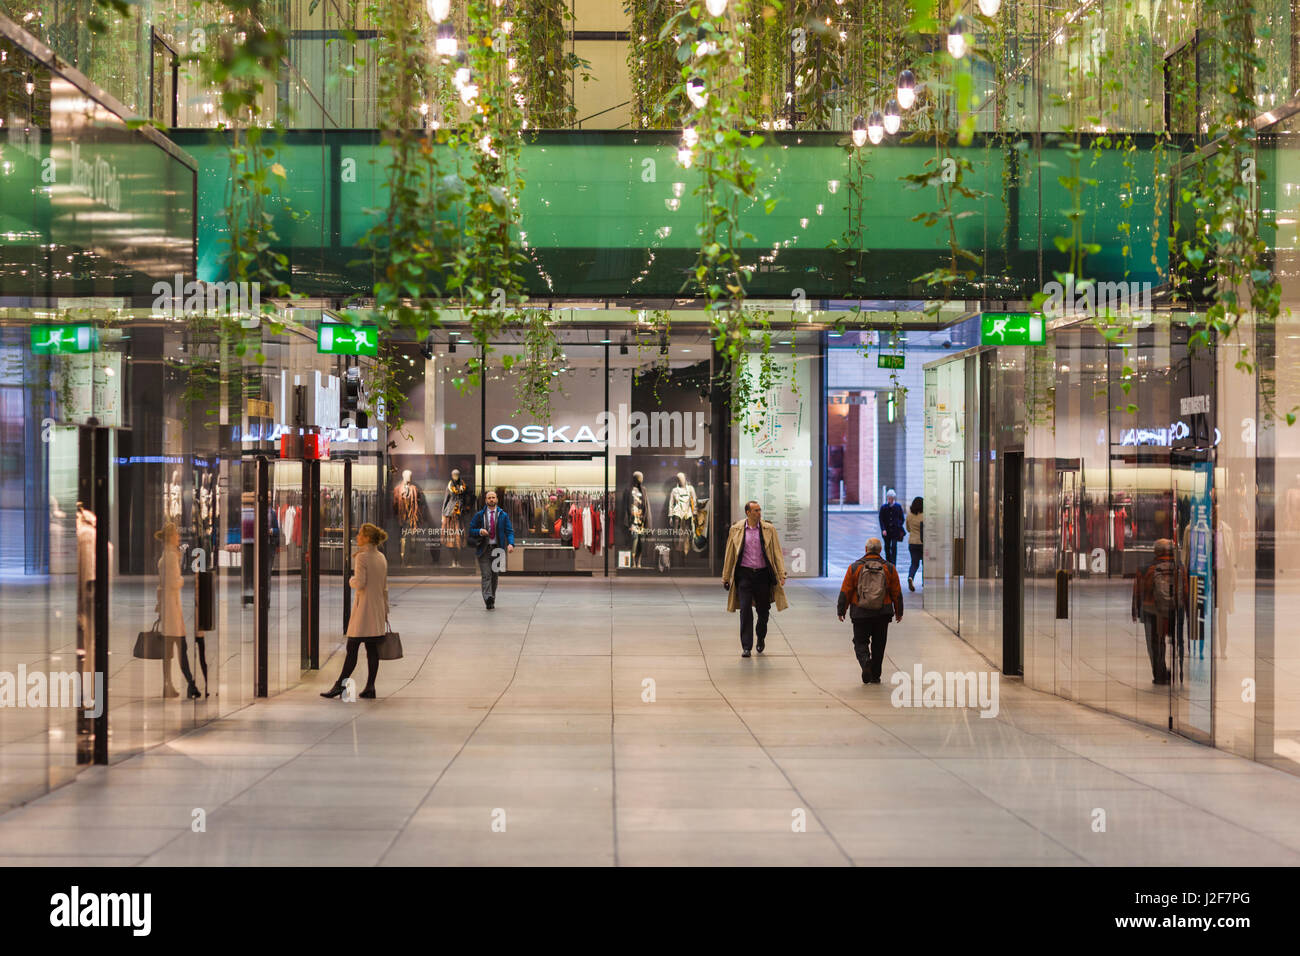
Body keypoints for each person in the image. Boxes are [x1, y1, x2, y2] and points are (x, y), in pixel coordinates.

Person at [322, 523, 389, 700]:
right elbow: (384, 587)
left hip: (363, 610)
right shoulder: (381, 557)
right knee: (372, 649)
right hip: (377, 608)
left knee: (352, 647)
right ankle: (370, 686)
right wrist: (385, 610)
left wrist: (350, 580)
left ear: (367, 538)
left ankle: (340, 686)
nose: (358, 537)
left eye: (360, 534)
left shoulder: (362, 557)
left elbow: (359, 583)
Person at [721, 500, 788, 657]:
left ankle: (761, 637)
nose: (759, 513)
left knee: (763, 611)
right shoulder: (736, 529)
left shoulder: (768, 529)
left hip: (763, 575)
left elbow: (777, 553)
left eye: (759, 510)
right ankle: (746, 646)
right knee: (745, 610)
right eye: (756, 510)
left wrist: (781, 574)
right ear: (748, 513)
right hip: (744, 575)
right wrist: (726, 576)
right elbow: (730, 553)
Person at [837, 537, 903, 684]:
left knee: (860, 642)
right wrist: (899, 611)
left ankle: (866, 661)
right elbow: (896, 592)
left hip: (860, 612)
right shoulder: (889, 568)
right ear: (880, 550)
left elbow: (846, 591)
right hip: (882, 612)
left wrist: (841, 609)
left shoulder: (855, 567)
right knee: (879, 645)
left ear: (866, 549)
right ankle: (875, 675)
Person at [1131, 538, 1185, 686]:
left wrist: (1136, 610)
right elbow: (1185, 591)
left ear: (1156, 551)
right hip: (1174, 610)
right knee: (1176, 641)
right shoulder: (1180, 568)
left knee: (1154, 642)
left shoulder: (1145, 569)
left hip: (1151, 610)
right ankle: (1178, 670)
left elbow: (1138, 592)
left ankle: (1159, 674)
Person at [155, 522, 200, 699]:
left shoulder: (168, 555)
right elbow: (174, 582)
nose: (179, 537)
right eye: (176, 535)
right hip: (172, 609)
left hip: (169, 607)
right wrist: (181, 579)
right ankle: (191, 684)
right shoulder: (171, 557)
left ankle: (170, 685)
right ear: (171, 537)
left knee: (170, 652)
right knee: (182, 648)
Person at [468, 490, 514, 610]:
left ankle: (492, 597)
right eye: (489, 498)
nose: (491, 500)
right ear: (486, 500)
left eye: (493, 497)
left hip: (498, 550)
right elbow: (470, 530)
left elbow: (509, 531)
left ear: (497, 499)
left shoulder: (503, 515)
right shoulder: (479, 515)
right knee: (486, 575)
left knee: (494, 575)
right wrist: (479, 531)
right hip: (484, 549)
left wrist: (511, 544)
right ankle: (487, 598)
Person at [878, 490, 906, 566]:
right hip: (886, 531)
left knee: (894, 547)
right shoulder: (884, 507)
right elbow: (881, 519)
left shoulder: (898, 507)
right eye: (888, 497)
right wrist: (883, 529)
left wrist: (898, 525)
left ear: (893, 498)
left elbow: (902, 518)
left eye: (891, 498)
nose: (889, 499)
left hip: (895, 531)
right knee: (887, 547)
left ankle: (893, 564)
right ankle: (888, 562)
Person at [905, 496, 924, 591]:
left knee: (914, 563)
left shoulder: (909, 515)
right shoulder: (924, 515)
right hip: (923, 543)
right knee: (925, 563)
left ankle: (910, 577)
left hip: (912, 542)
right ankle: (924, 582)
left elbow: (907, 528)